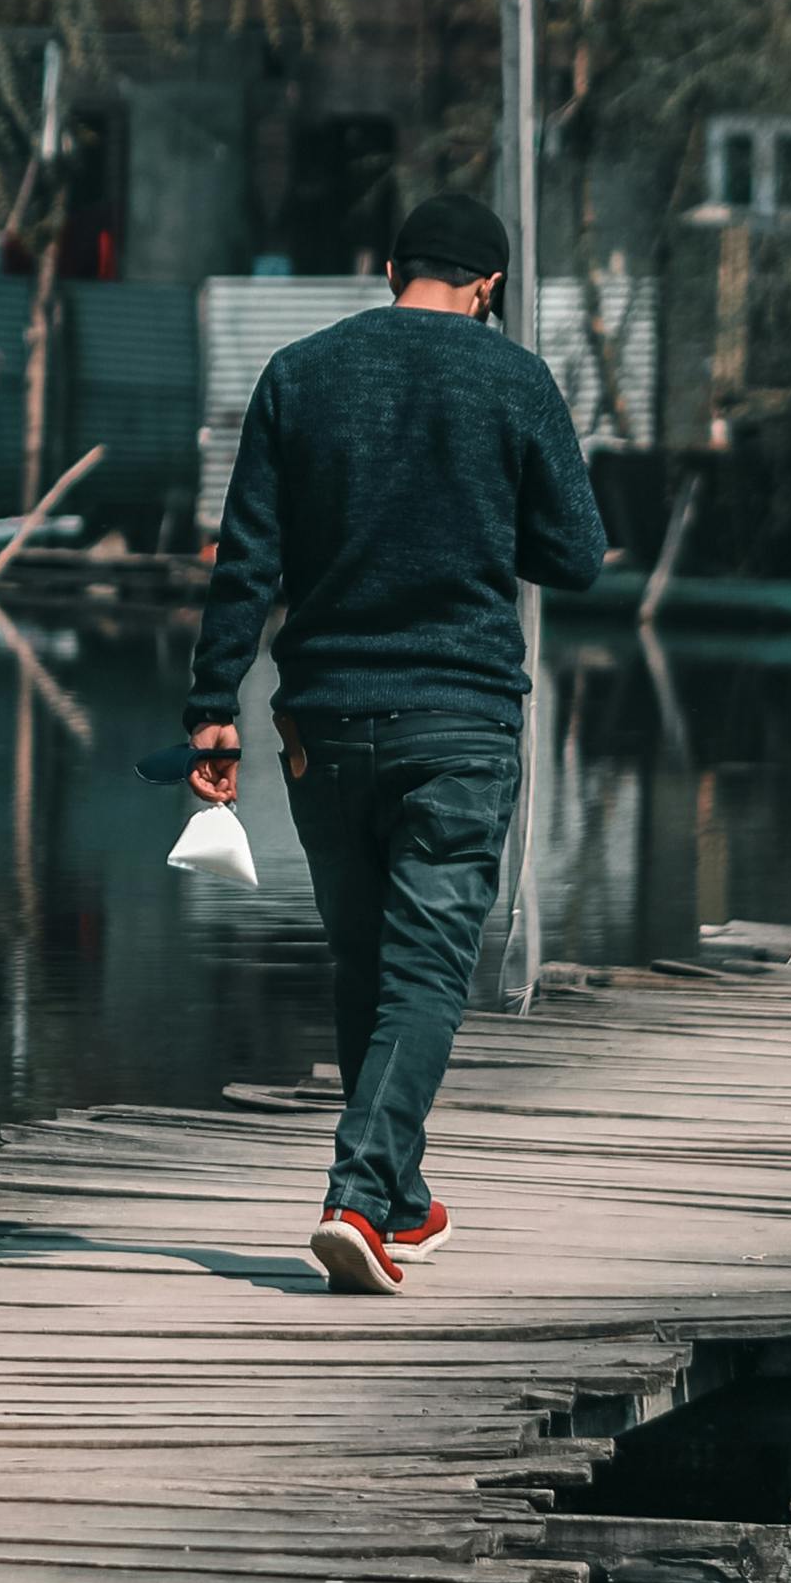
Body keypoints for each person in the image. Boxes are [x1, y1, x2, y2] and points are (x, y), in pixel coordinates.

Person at [173, 192, 607, 1294]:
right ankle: (356, 1195)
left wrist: (210, 707)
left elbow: (246, 560)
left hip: (322, 723)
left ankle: (401, 1202)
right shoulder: (512, 379)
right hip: (457, 719)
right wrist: (471, 507)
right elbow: (577, 555)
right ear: (490, 287)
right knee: (423, 969)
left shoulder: (300, 374)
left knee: (368, 960)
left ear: (388, 267)